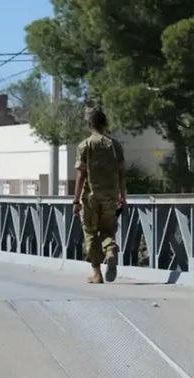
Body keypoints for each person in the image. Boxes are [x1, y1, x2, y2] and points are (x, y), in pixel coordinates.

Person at [72, 107, 127, 284]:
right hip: (110, 196)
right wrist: (122, 196)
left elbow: (81, 175)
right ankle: (110, 250)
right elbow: (122, 173)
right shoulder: (114, 146)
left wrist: (76, 200)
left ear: (90, 125)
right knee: (108, 230)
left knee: (90, 233)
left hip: (90, 197)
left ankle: (96, 273)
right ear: (104, 124)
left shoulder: (85, 146)